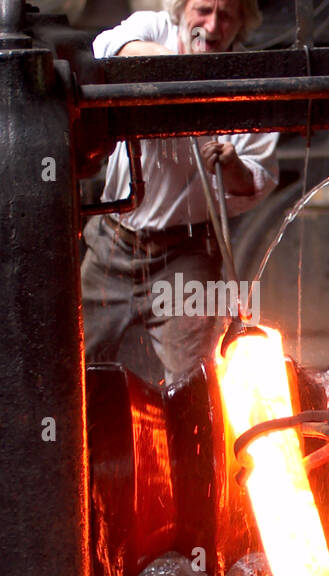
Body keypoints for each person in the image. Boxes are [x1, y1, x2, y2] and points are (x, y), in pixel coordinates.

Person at [81, 0, 279, 384]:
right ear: (182, 9)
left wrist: (231, 163)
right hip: (113, 246)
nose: (212, 25)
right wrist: (179, 68)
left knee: (194, 381)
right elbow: (109, 45)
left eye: (226, 16)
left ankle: (195, 443)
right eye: (203, 10)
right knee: (68, 361)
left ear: (241, 25)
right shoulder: (153, 28)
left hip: (183, 255)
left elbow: (255, 181)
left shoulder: (250, 81)